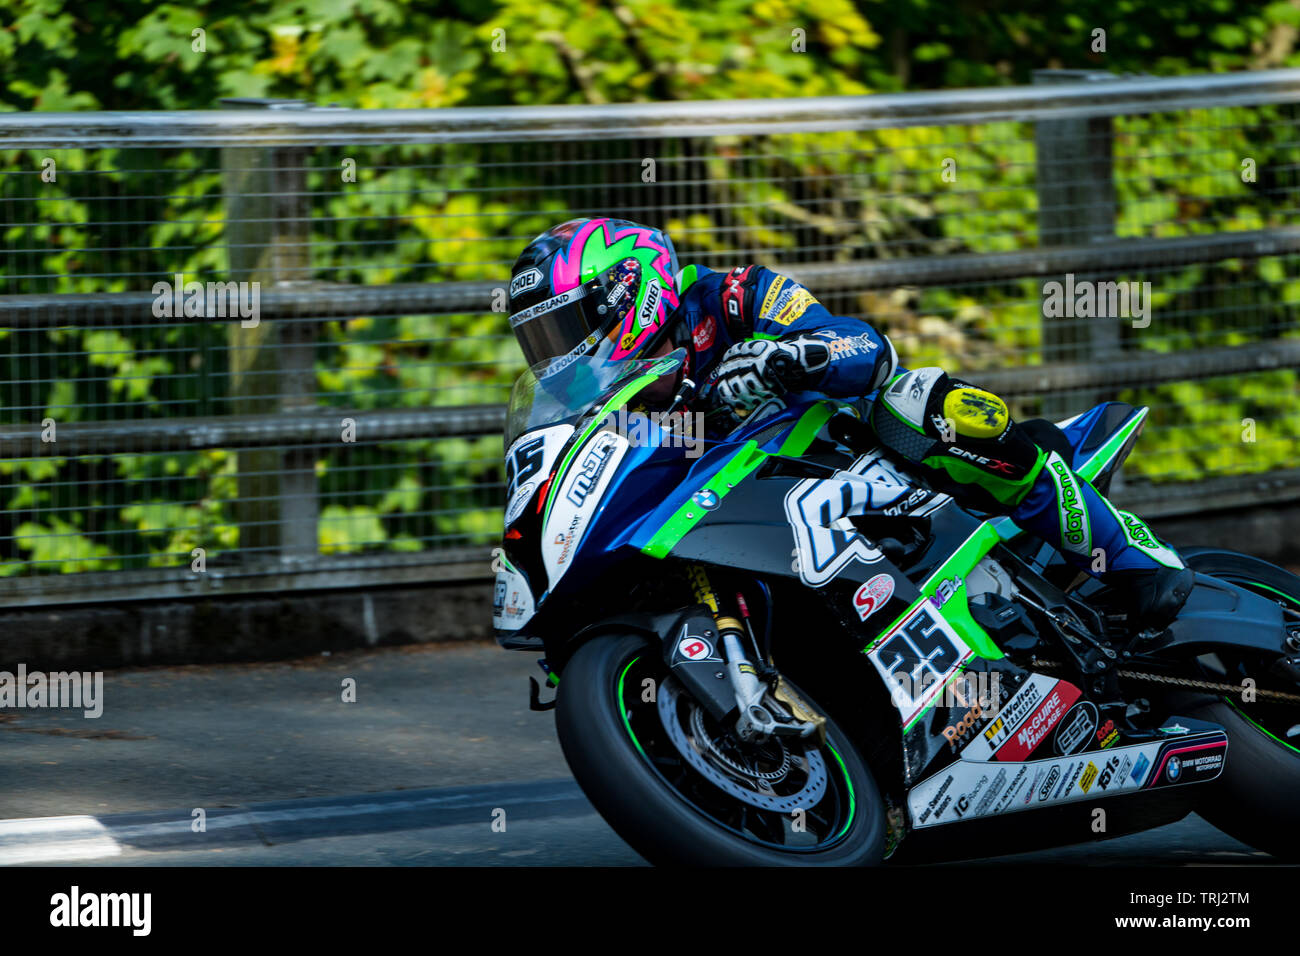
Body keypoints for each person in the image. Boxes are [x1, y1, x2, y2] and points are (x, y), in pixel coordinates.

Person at [507, 217, 1195, 630]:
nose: (558, 357)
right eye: (540, 342)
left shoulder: (732, 293)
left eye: (565, 328)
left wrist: (788, 356)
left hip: (854, 451)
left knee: (917, 402)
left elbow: (865, 349)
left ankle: (1133, 556)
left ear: (628, 289)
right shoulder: (621, 402)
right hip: (752, 512)